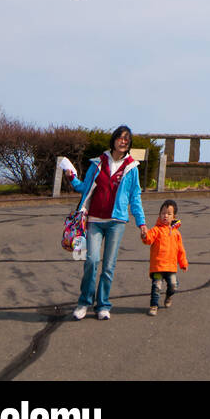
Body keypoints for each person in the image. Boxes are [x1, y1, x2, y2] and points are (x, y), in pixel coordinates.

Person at [69, 125, 147, 320]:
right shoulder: (98, 163)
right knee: (91, 260)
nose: (123, 141)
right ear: (113, 140)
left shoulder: (132, 168)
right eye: (120, 138)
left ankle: (103, 304)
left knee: (109, 266)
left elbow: (135, 197)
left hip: (116, 222)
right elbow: (84, 187)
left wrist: (142, 223)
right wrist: (71, 177)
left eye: (127, 140)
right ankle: (84, 302)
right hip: (94, 219)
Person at [142, 198, 188, 315]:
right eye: (163, 213)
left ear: (174, 216)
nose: (165, 216)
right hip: (158, 266)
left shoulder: (176, 233)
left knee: (173, 285)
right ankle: (154, 305)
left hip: (171, 266)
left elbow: (180, 250)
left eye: (169, 214)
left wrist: (183, 263)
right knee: (156, 286)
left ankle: (168, 296)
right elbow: (148, 239)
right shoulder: (156, 230)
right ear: (159, 214)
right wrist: (144, 235)